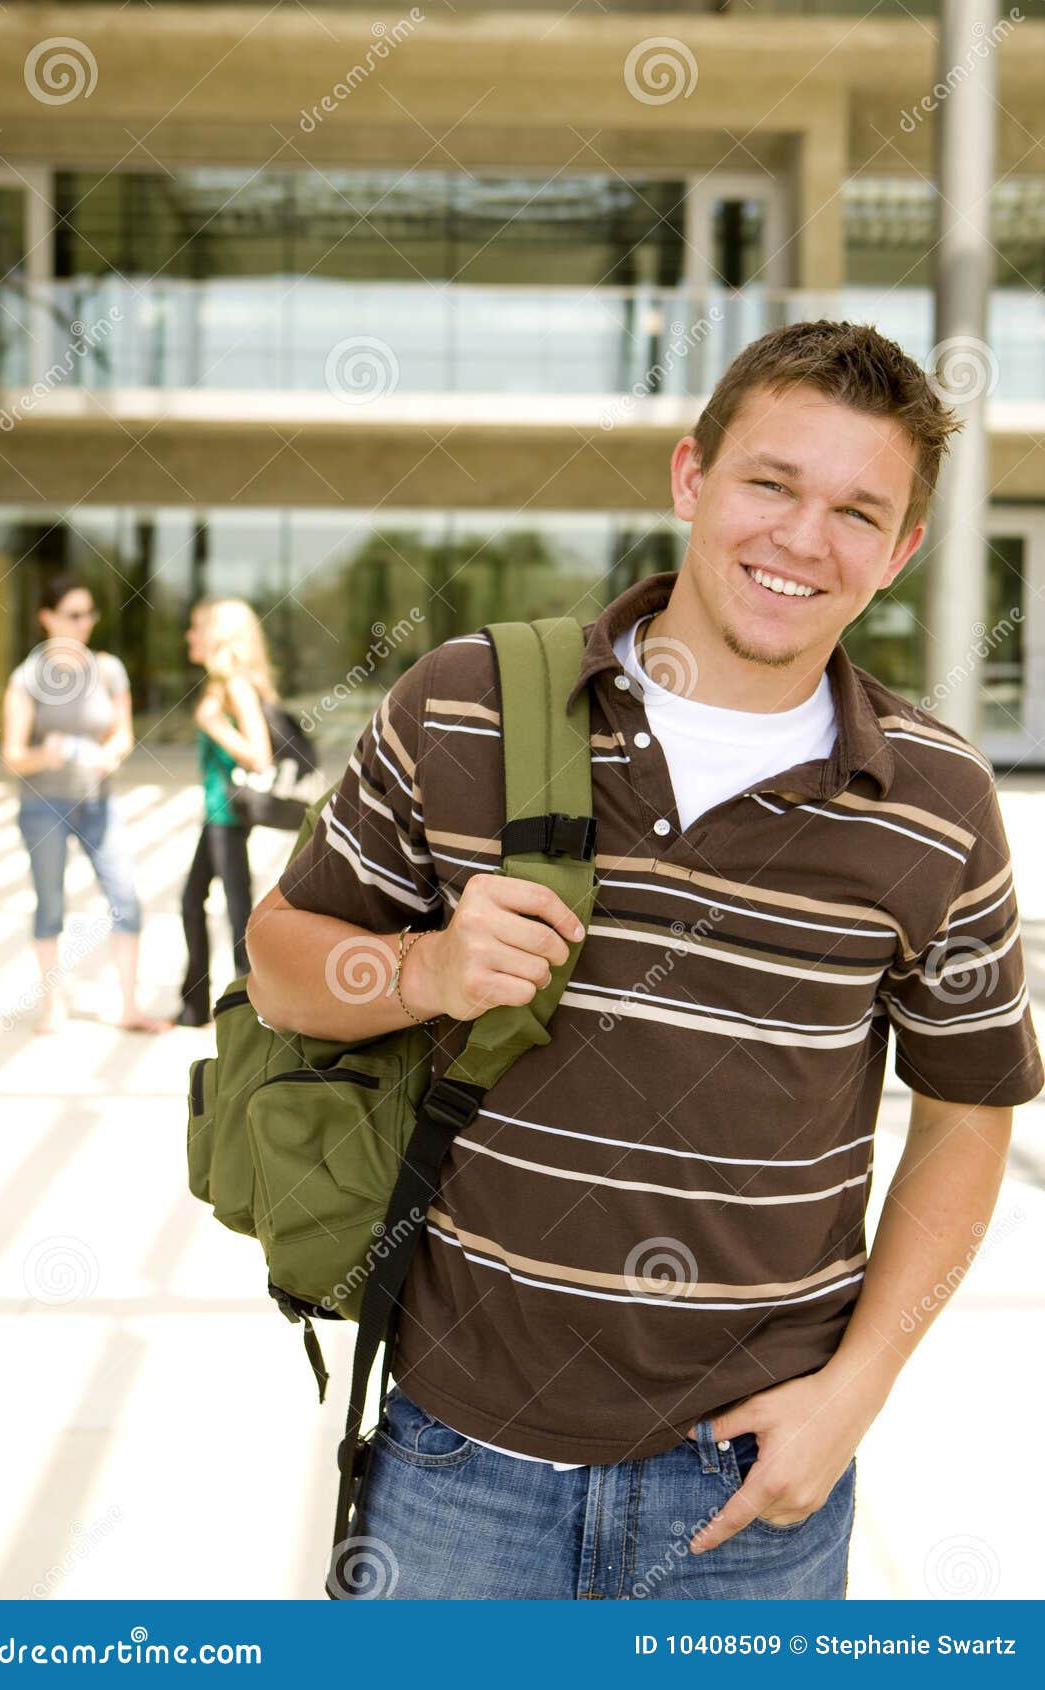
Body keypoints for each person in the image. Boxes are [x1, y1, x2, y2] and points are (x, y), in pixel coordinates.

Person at [245, 321, 1044, 1601]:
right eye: (770, 483)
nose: (801, 539)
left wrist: (854, 1392)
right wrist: (422, 973)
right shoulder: (465, 702)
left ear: (898, 552)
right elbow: (278, 961)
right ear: (690, 477)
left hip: (750, 1495)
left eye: (855, 512)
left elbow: (966, 1110)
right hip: (459, 1466)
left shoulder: (935, 801)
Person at [0, 574, 165, 1034]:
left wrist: (112, 753)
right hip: (44, 805)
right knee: (50, 903)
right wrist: (46, 755)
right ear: (46, 618)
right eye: (73, 614)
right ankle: (53, 1007)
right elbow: (13, 756)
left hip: (98, 802)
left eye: (89, 613)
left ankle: (129, 1006)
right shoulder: (27, 678)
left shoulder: (108, 669)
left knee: (125, 897)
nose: (84, 623)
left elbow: (123, 734)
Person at [176, 598, 273, 1028]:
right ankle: (199, 1005)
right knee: (198, 901)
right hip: (218, 814)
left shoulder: (235, 686)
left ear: (218, 636)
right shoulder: (220, 685)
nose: (189, 636)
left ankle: (243, 1011)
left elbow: (260, 756)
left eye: (197, 628)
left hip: (228, 817)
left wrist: (214, 725)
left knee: (236, 911)